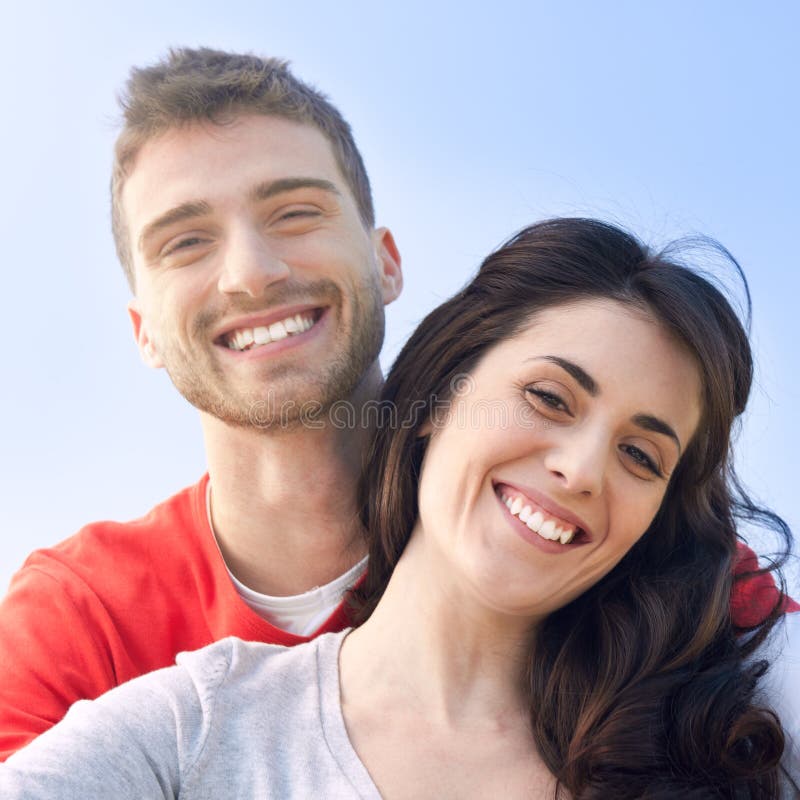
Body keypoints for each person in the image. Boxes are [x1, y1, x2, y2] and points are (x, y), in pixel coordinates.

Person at [0, 218, 796, 798]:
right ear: (435, 398)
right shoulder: (196, 727)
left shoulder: (726, 739)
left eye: (641, 455)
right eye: (549, 397)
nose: (583, 469)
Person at [0, 46, 403, 758]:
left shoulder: (524, 540)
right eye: (186, 242)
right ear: (144, 332)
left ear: (387, 262)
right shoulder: (75, 616)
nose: (251, 273)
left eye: (295, 212)